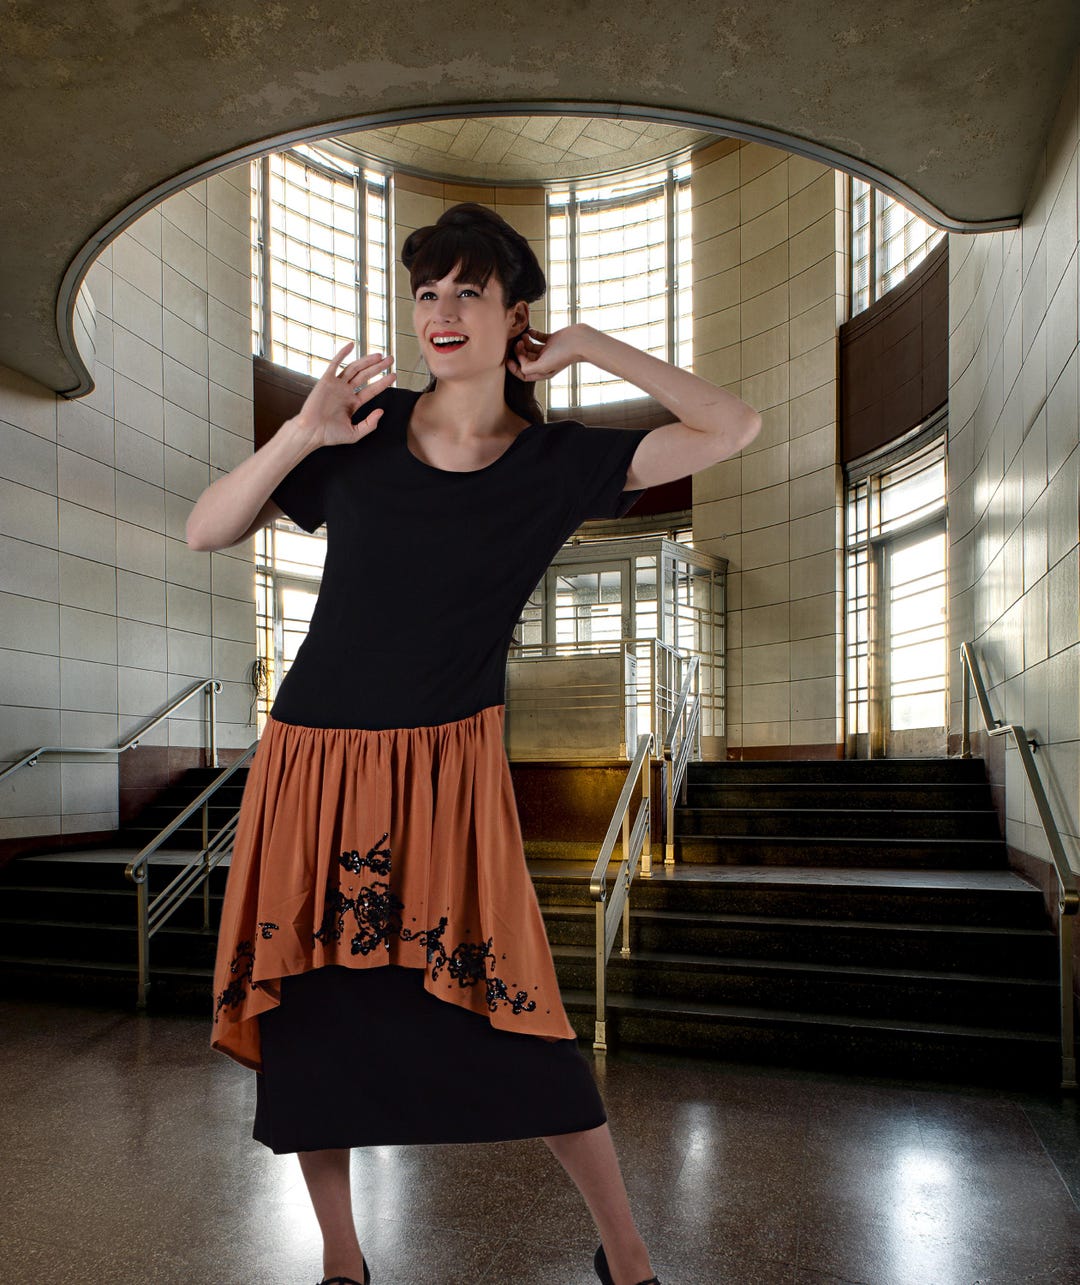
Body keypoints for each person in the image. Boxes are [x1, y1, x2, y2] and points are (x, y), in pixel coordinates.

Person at [186, 201, 762, 1285]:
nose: (441, 313)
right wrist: (303, 430)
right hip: (313, 758)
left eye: (467, 292)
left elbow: (732, 426)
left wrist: (586, 347)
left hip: (449, 769)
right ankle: (343, 1263)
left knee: (521, 1006)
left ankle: (628, 1258)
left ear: (514, 316)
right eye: (425, 292)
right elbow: (207, 527)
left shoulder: (558, 464)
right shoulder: (356, 433)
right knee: (314, 1015)